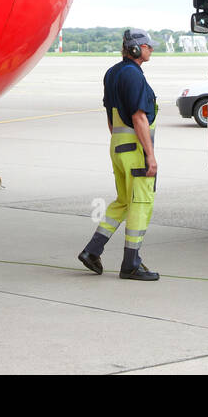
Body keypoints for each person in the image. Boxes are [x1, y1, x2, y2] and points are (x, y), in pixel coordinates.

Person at [78, 28, 160, 281]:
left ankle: (92, 250)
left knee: (123, 201)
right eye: (147, 46)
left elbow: (110, 115)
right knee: (141, 202)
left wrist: (120, 143)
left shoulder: (112, 73)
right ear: (136, 49)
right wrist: (150, 155)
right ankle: (131, 263)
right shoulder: (133, 75)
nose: (151, 49)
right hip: (135, 149)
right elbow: (139, 116)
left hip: (117, 145)